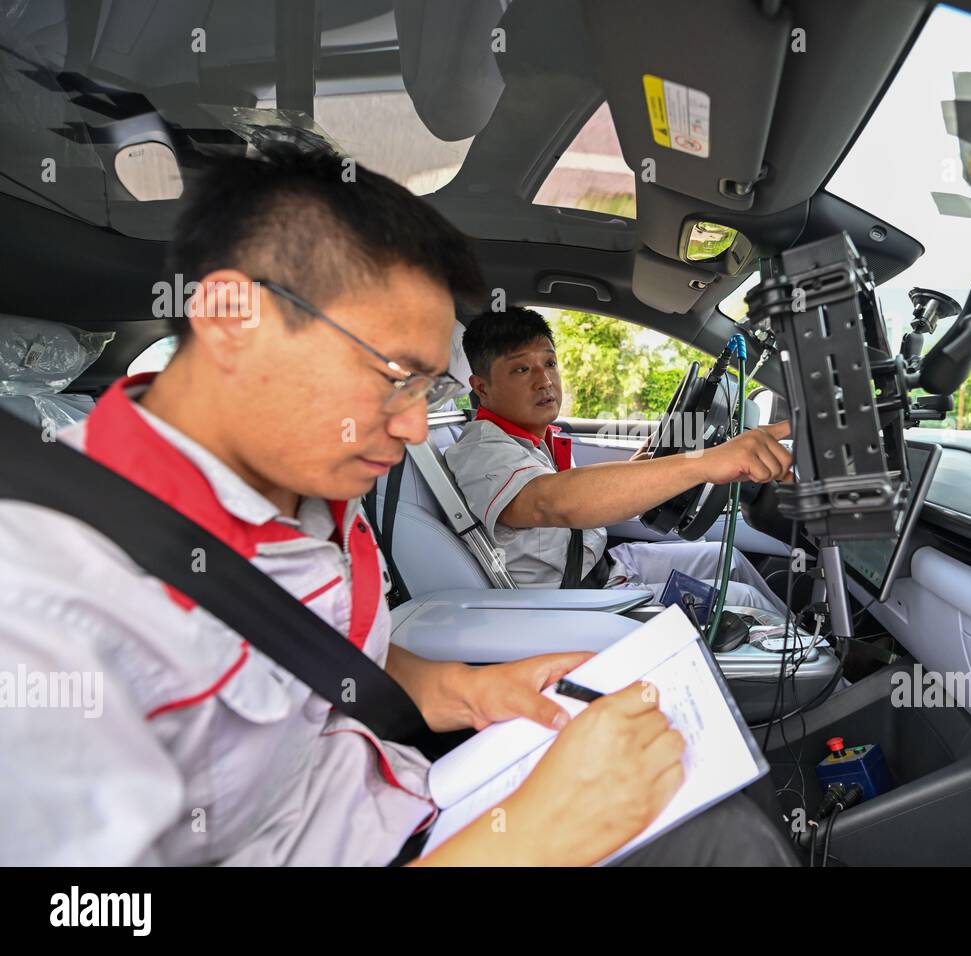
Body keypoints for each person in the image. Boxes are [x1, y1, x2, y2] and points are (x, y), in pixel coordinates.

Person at [0, 146, 796, 867]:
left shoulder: (310, 499)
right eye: (394, 374)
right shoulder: (38, 616)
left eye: (428, 386)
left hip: (406, 804)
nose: (418, 426)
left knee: (719, 801)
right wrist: (533, 840)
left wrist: (465, 688)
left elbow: (324, 669)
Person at [443, 307, 791, 615]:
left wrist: (641, 469)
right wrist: (703, 463)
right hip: (573, 603)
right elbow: (552, 503)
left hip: (605, 566)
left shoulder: (535, 437)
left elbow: (582, 503)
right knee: (745, 599)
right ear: (482, 387)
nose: (545, 380)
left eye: (549, 363)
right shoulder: (481, 450)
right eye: (521, 369)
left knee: (724, 558)